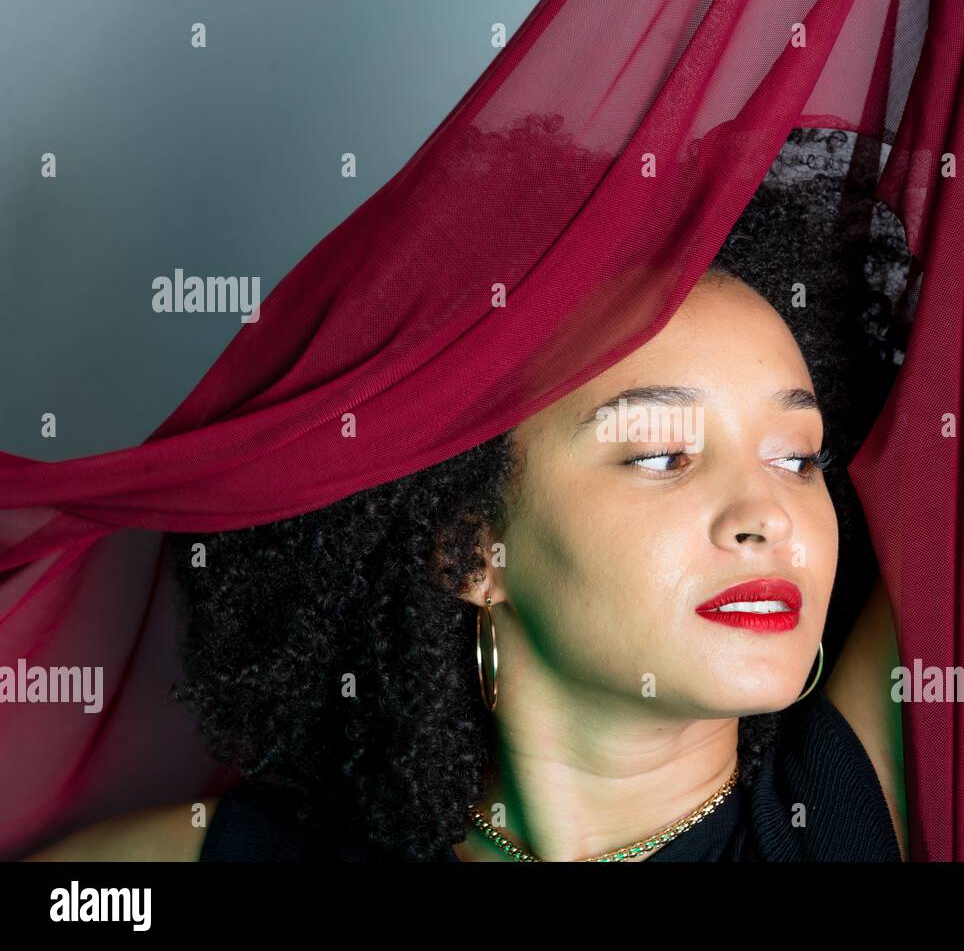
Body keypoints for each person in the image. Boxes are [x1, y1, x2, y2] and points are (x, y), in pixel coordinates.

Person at [24, 133, 911, 862]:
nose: (768, 515)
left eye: (799, 457)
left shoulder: (841, 809)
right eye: (662, 455)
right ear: (470, 550)